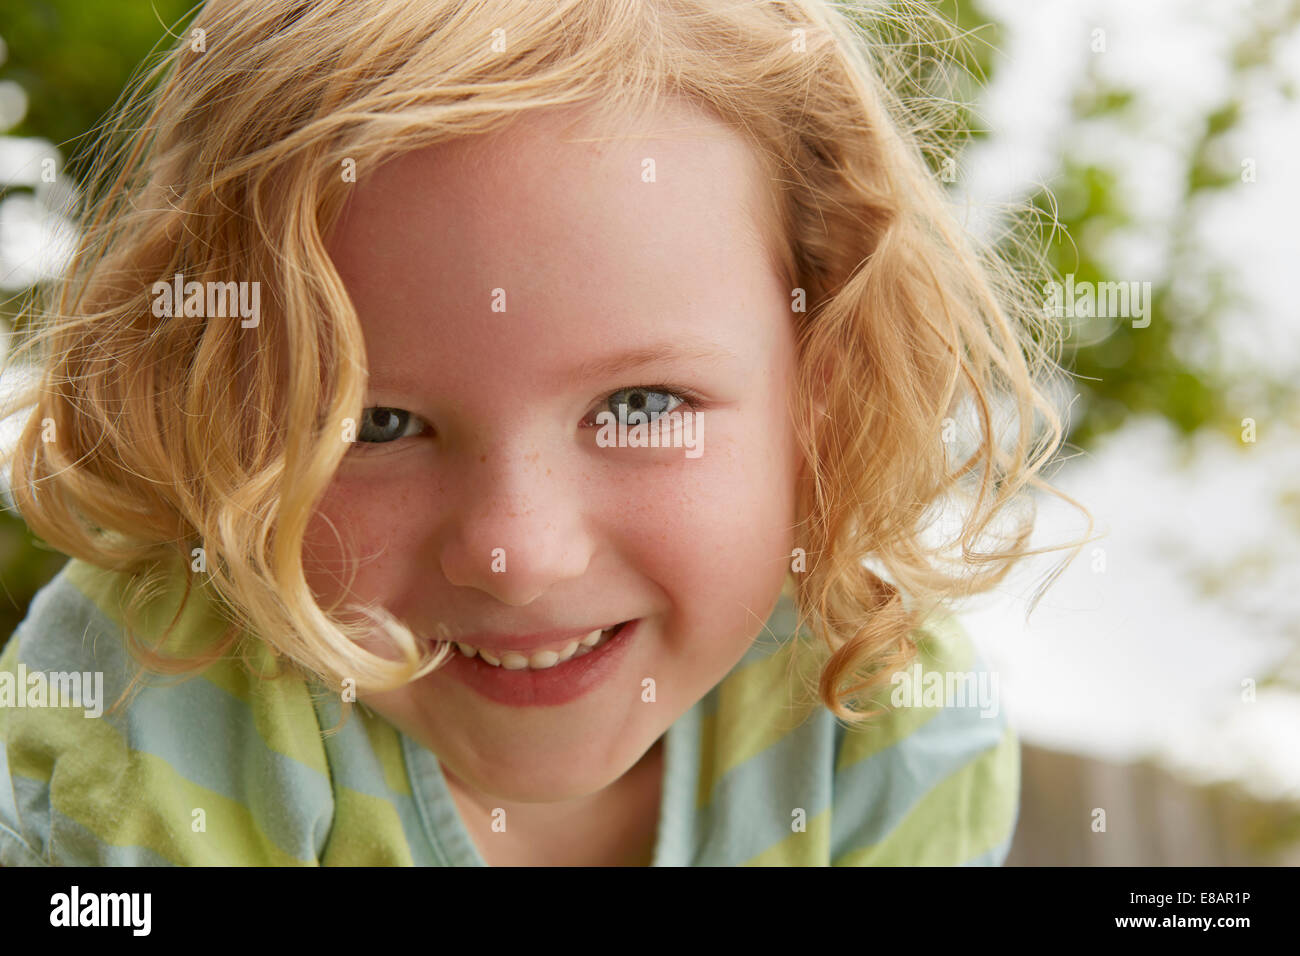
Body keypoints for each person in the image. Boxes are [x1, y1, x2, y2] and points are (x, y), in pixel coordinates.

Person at [0, 0, 1090, 866]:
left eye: (639, 405)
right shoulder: (152, 720)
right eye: (374, 422)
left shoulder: (881, 732)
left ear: (824, 385)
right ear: (211, 413)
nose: (518, 553)